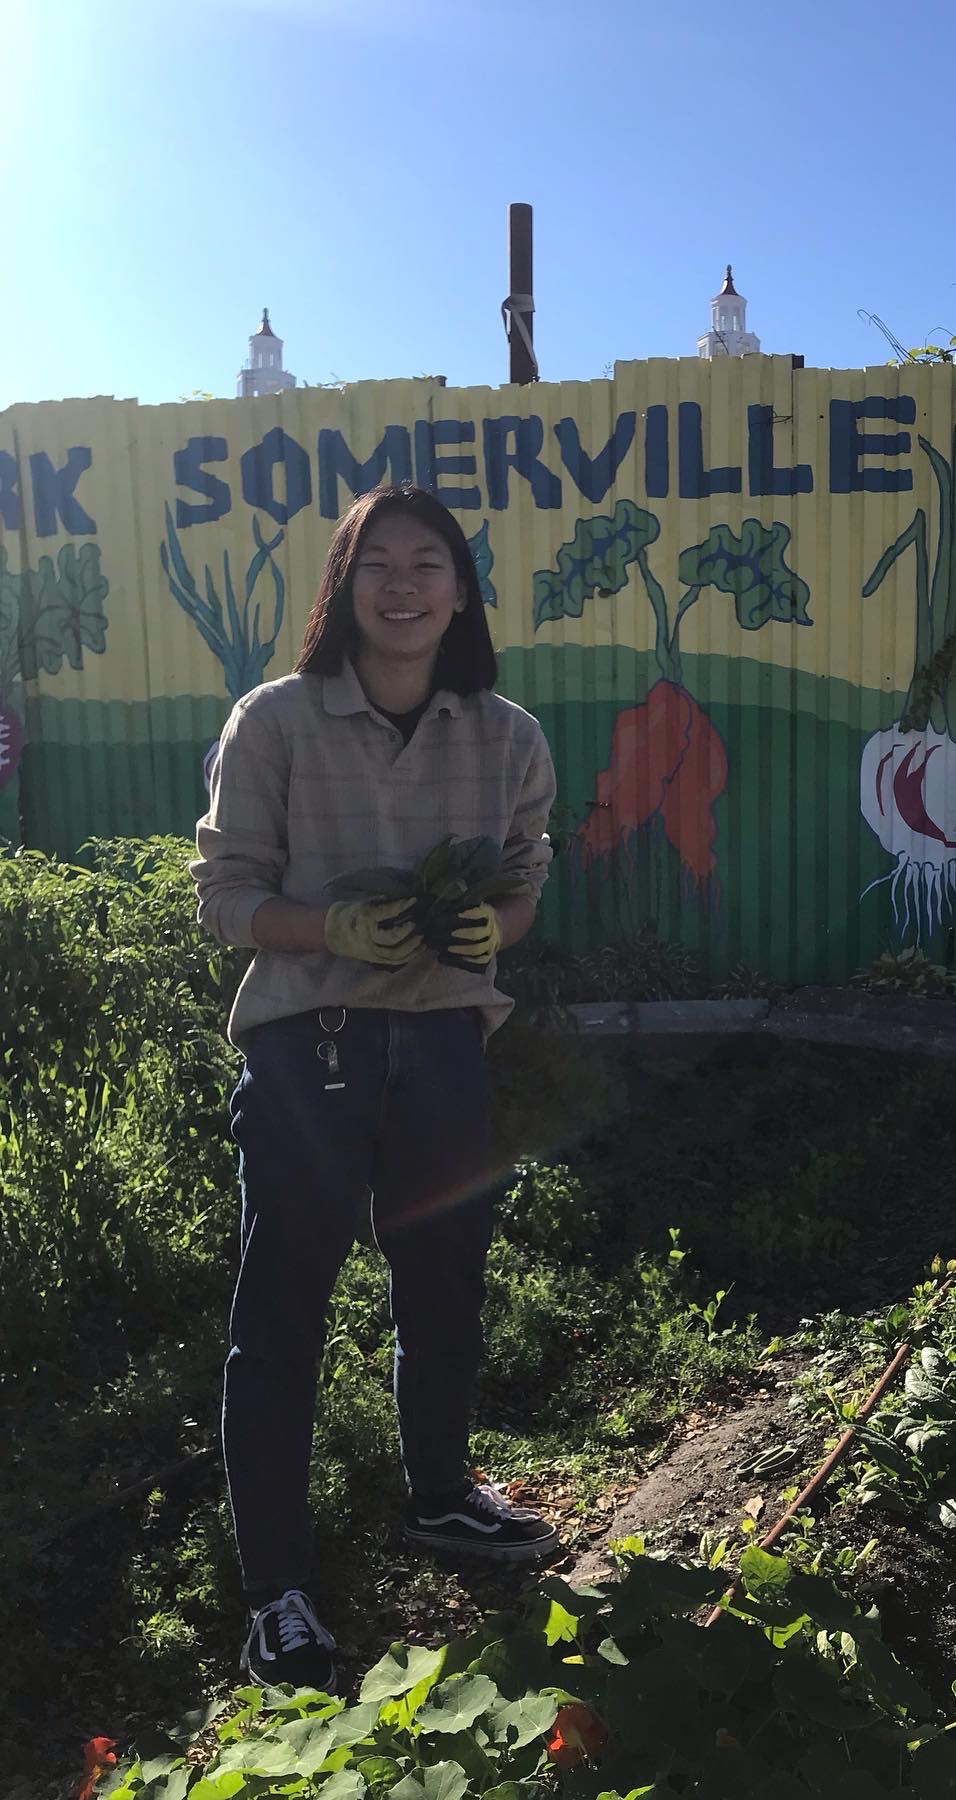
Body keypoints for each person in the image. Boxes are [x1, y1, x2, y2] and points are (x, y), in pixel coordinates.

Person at [193, 483, 560, 1693]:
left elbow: (522, 885)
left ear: (460, 591)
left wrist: (483, 932)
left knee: (447, 1286)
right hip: (314, 1048)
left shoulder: (505, 734)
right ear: (343, 591)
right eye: (376, 565)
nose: (402, 585)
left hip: (445, 1042)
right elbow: (225, 897)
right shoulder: (277, 722)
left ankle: (443, 1498)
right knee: (284, 1311)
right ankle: (279, 1594)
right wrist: (330, 923)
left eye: (428, 563)